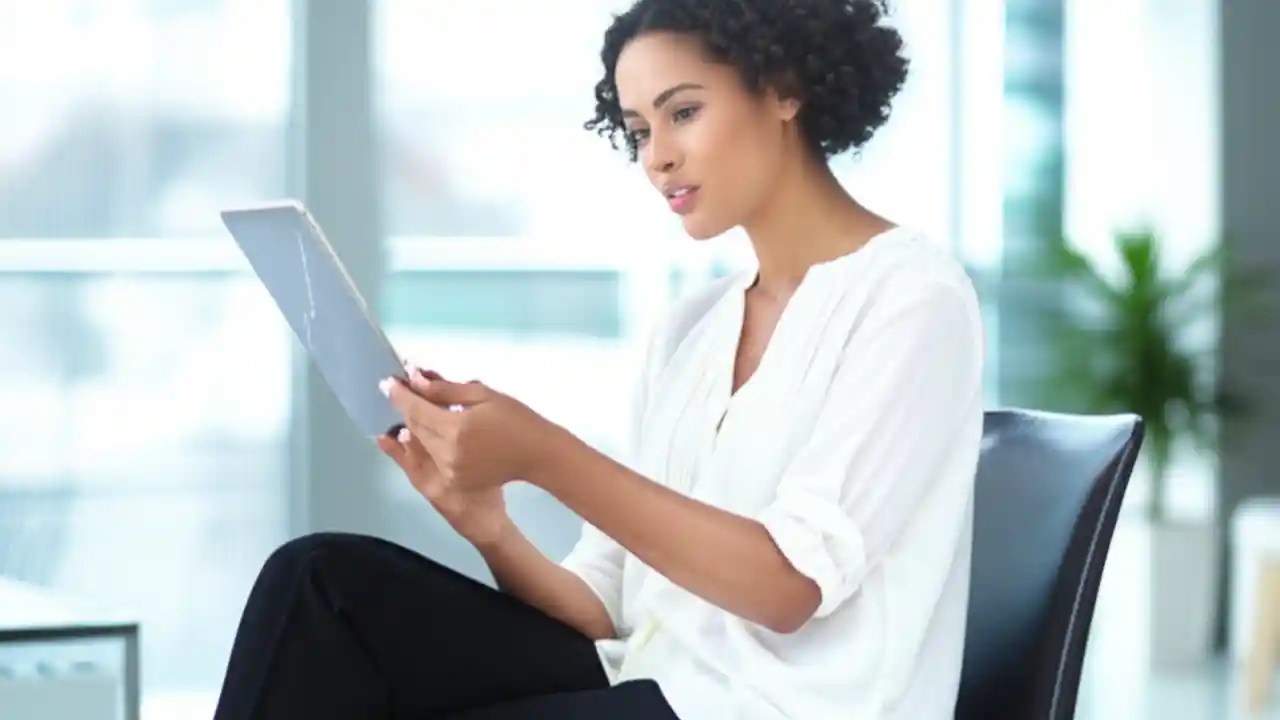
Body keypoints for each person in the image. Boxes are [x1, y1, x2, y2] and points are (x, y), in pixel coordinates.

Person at [212, 0, 985, 718]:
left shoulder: (912, 296)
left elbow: (787, 587)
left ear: (783, 89)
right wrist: (488, 527)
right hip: (641, 687)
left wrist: (543, 454)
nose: (658, 158)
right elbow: (605, 612)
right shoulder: (692, 327)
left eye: (684, 112)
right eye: (641, 130)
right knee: (317, 585)